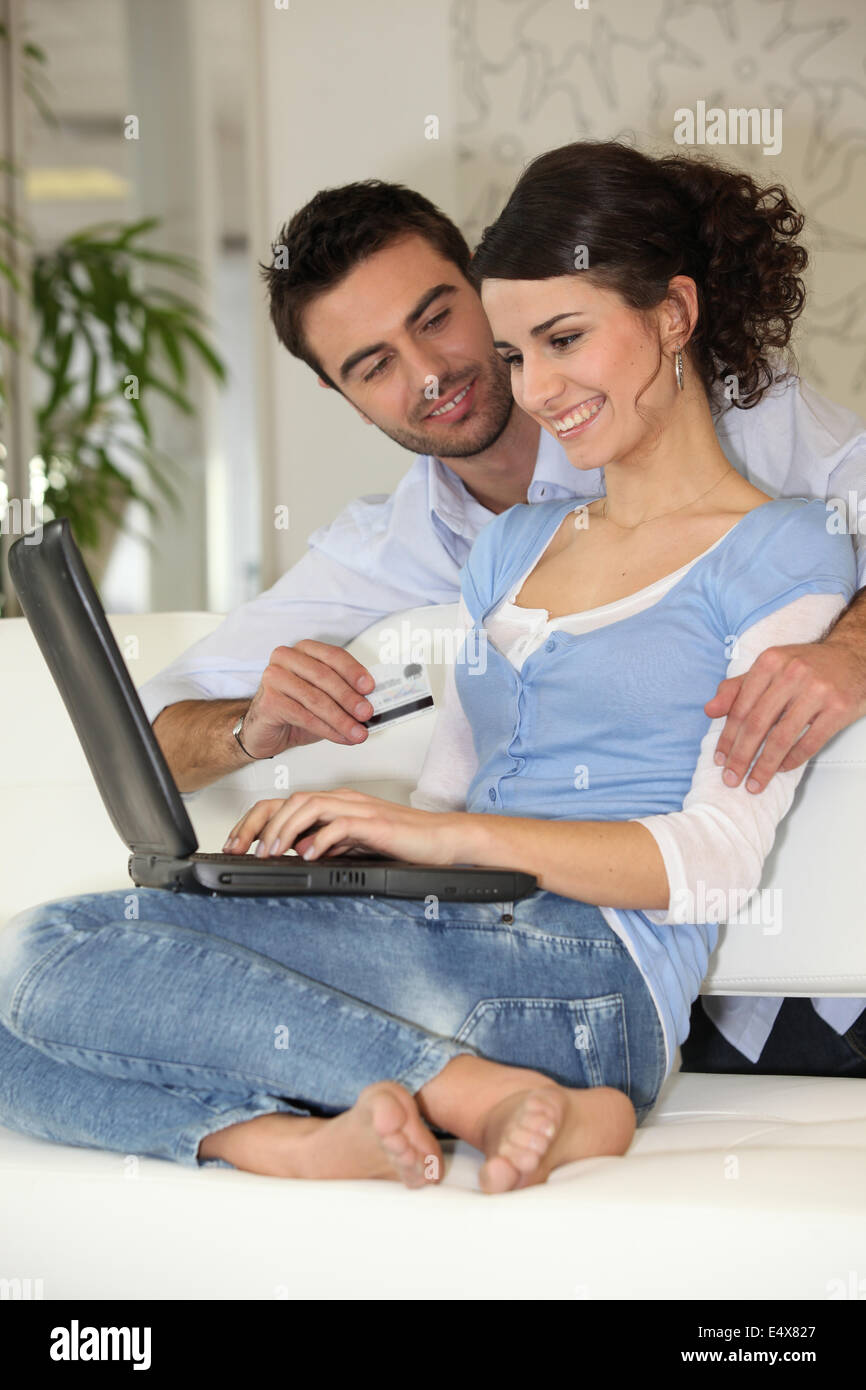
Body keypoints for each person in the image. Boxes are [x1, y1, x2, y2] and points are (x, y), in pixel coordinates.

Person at [0, 141, 857, 1193]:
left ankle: (464, 1095)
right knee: (19, 1010)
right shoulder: (495, 548)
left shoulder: (783, 509)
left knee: (47, 952)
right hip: (460, 932)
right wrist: (334, 843)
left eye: (549, 338)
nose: (523, 386)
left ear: (670, 315)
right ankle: (300, 1140)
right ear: (343, 394)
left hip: (591, 978)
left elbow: (712, 858)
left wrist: (848, 649)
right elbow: (419, 784)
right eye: (519, 351)